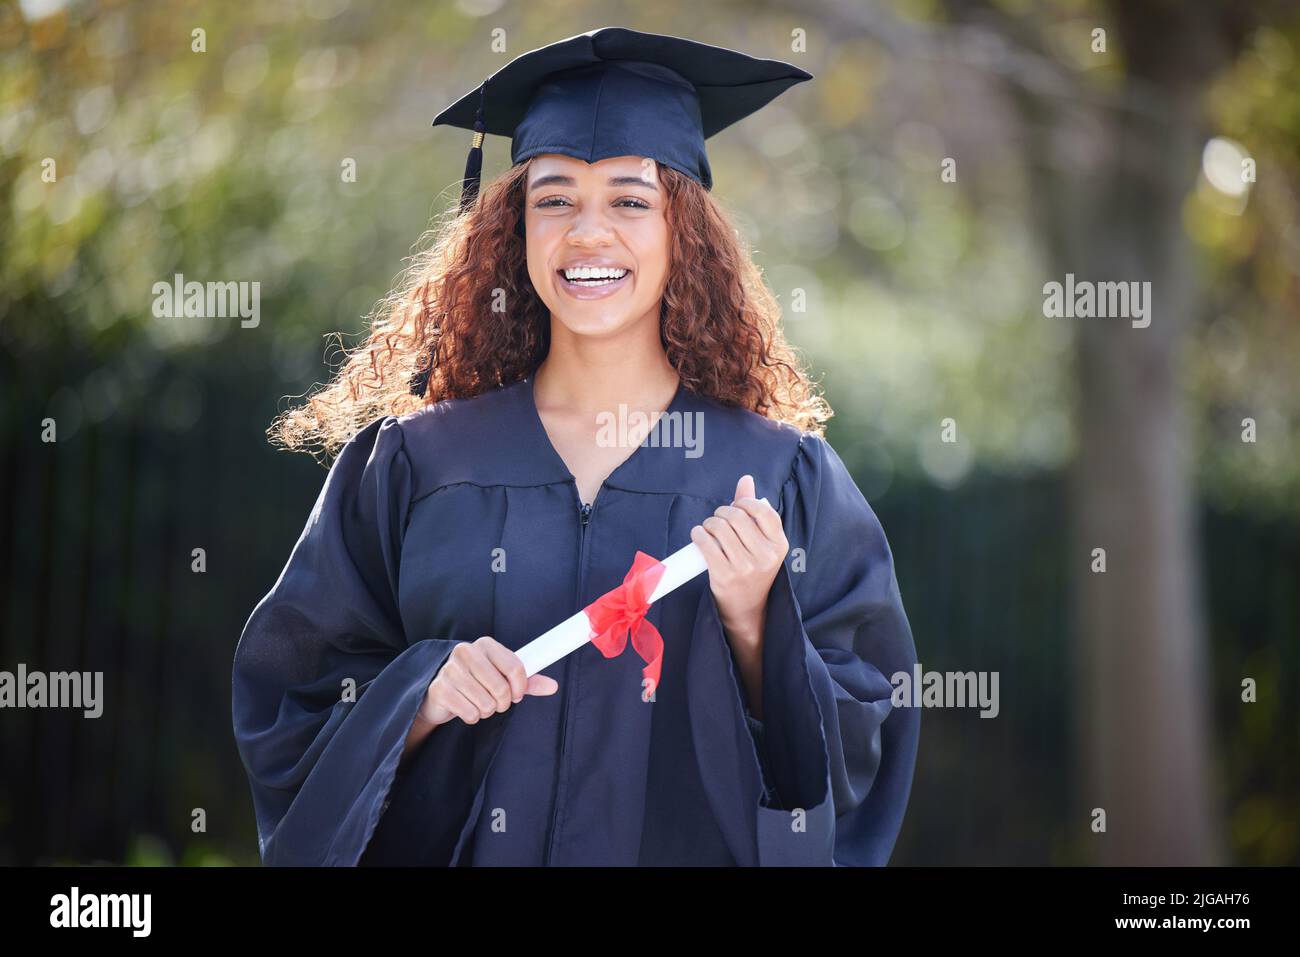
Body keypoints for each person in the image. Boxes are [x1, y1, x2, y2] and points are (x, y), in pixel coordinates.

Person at [231, 26, 920, 867]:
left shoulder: (780, 477)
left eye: (630, 200)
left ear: (684, 234)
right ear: (516, 229)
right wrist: (418, 695)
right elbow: (289, 699)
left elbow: (862, 741)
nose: (588, 232)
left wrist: (755, 625)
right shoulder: (416, 464)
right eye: (554, 199)